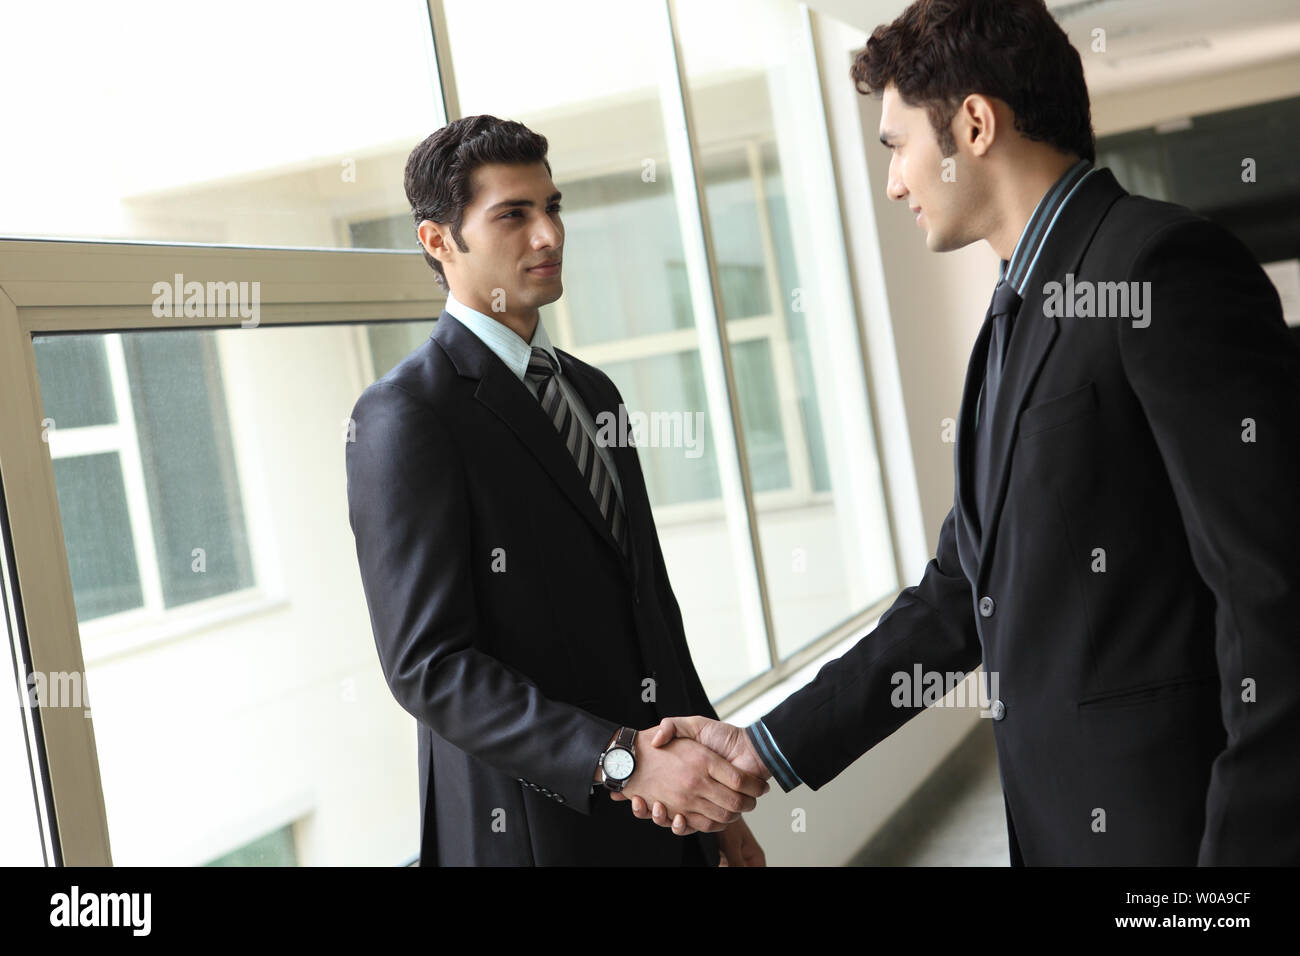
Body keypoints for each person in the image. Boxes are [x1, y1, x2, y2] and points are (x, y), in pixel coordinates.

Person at [619, 0, 1300, 865]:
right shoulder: (1012, 317)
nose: (895, 181)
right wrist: (761, 746)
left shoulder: (1160, 267)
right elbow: (957, 596)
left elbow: (1273, 593)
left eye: (896, 145)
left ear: (974, 123)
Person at [345, 115, 767, 866]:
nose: (549, 235)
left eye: (553, 207)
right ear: (438, 241)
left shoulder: (592, 391)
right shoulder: (406, 415)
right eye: (513, 214)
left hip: (668, 813)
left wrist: (717, 796)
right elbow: (430, 667)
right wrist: (619, 758)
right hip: (539, 832)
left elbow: (651, 612)